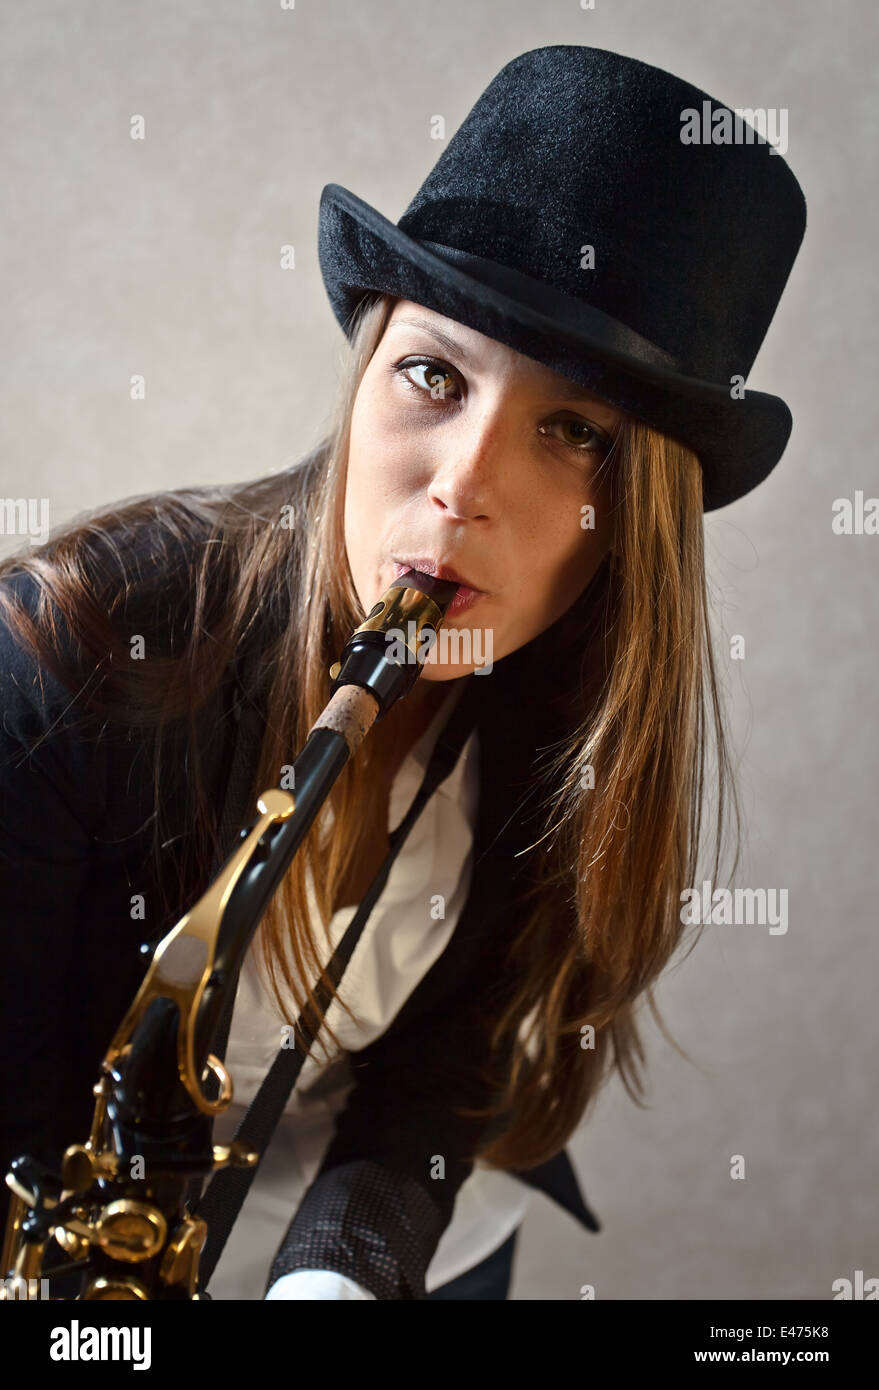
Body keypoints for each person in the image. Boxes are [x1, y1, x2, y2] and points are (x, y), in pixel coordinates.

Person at [0, 44, 807, 1300]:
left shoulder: (564, 712)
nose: (466, 485)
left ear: (636, 519)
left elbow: (445, 1070)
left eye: (574, 430)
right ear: (367, 370)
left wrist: (334, 1282)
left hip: (384, 1222)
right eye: (434, 374)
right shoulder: (75, 649)